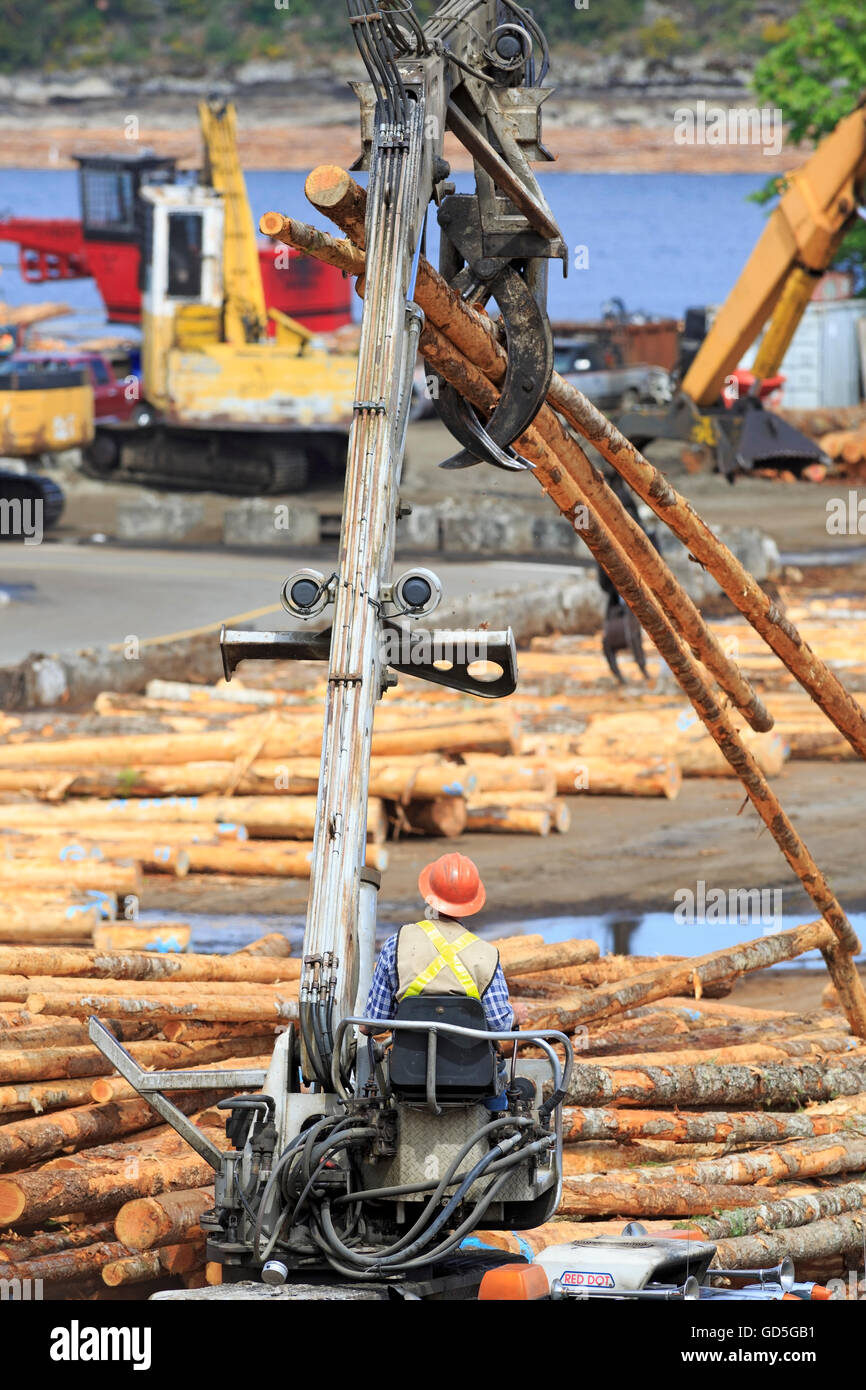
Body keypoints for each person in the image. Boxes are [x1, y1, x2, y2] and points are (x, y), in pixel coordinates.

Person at [363, 852, 514, 1035]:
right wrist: (517, 1016)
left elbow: (371, 1024)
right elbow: (500, 1026)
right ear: (472, 902)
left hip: (408, 1063)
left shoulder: (396, 945)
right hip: (468, 1062)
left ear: (429, 895)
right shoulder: (487, 956)